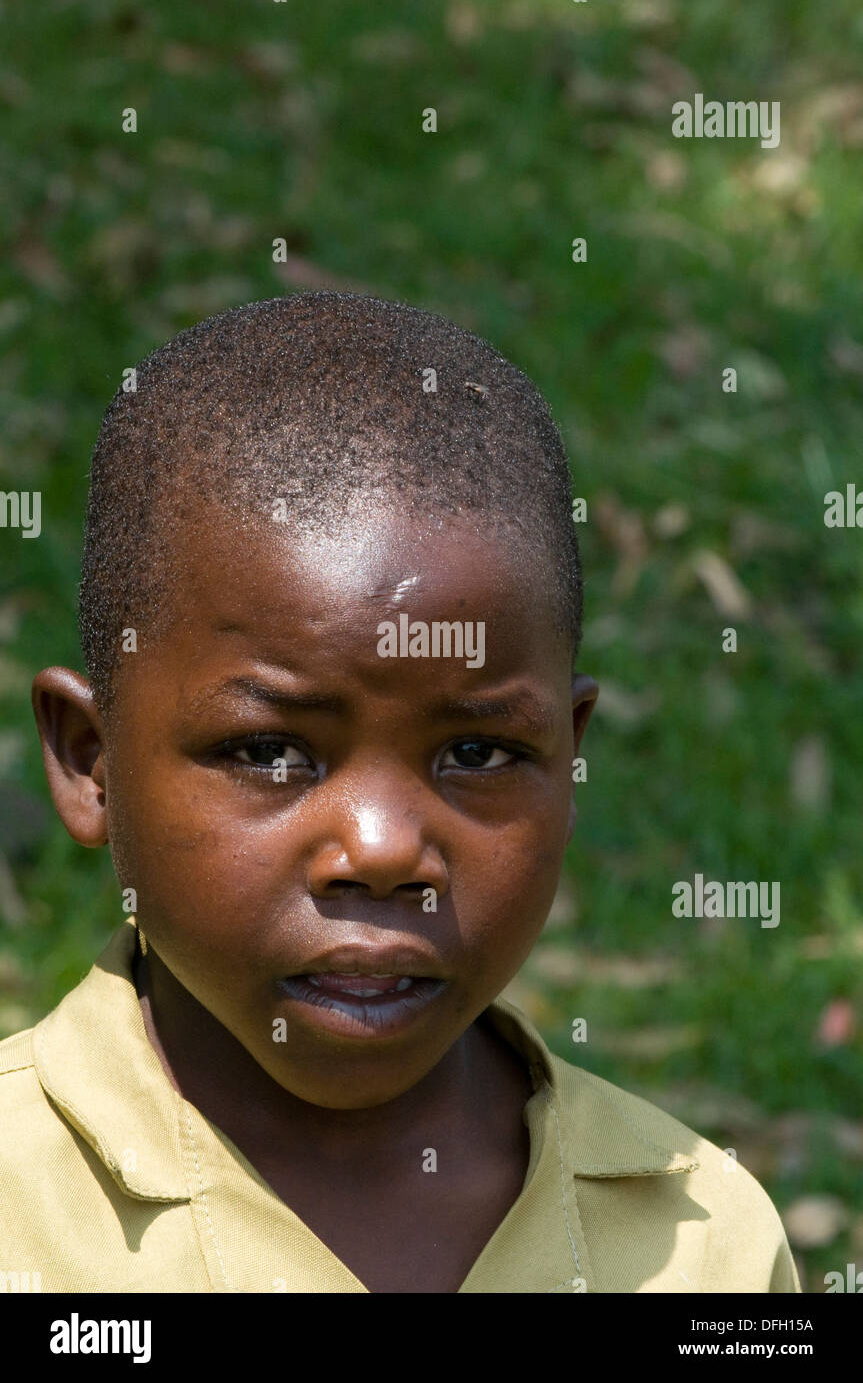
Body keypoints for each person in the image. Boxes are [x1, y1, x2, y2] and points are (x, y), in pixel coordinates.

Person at [0, 292, 800, 1292]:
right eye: (267, 750)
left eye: (475, 753)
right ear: (91, 761)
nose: (380, 850)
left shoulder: (695, 1240)